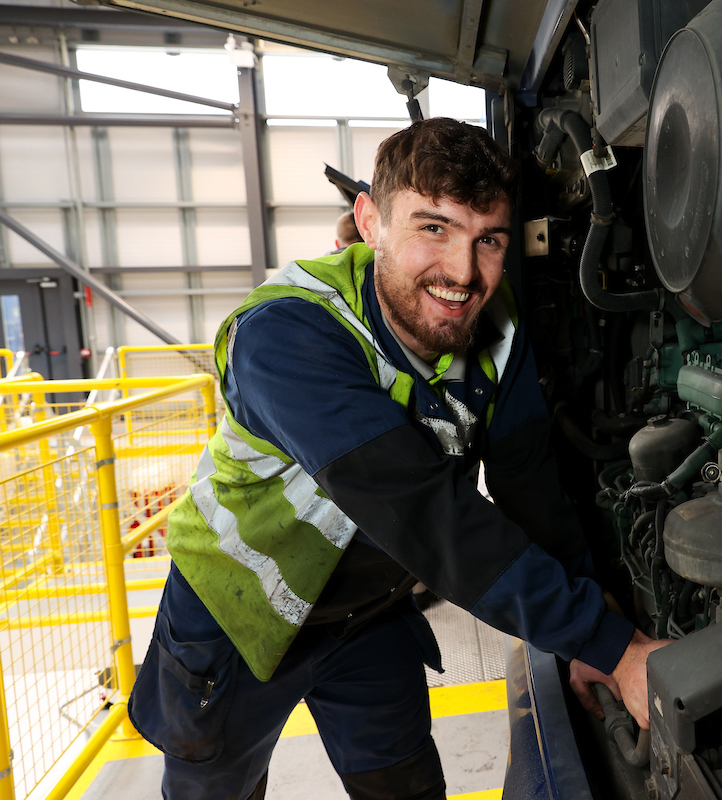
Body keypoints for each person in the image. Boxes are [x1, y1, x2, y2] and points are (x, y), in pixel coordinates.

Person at [128, 117, 667, 800]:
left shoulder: (498, 327)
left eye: (488, 239)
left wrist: (593, 637)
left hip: (369, 615)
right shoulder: (286, 334)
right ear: (370, 221)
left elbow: (531, 489)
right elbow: (421, 512)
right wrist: (609, 643)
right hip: (239, 611)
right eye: (433, 228)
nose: (464, 273)